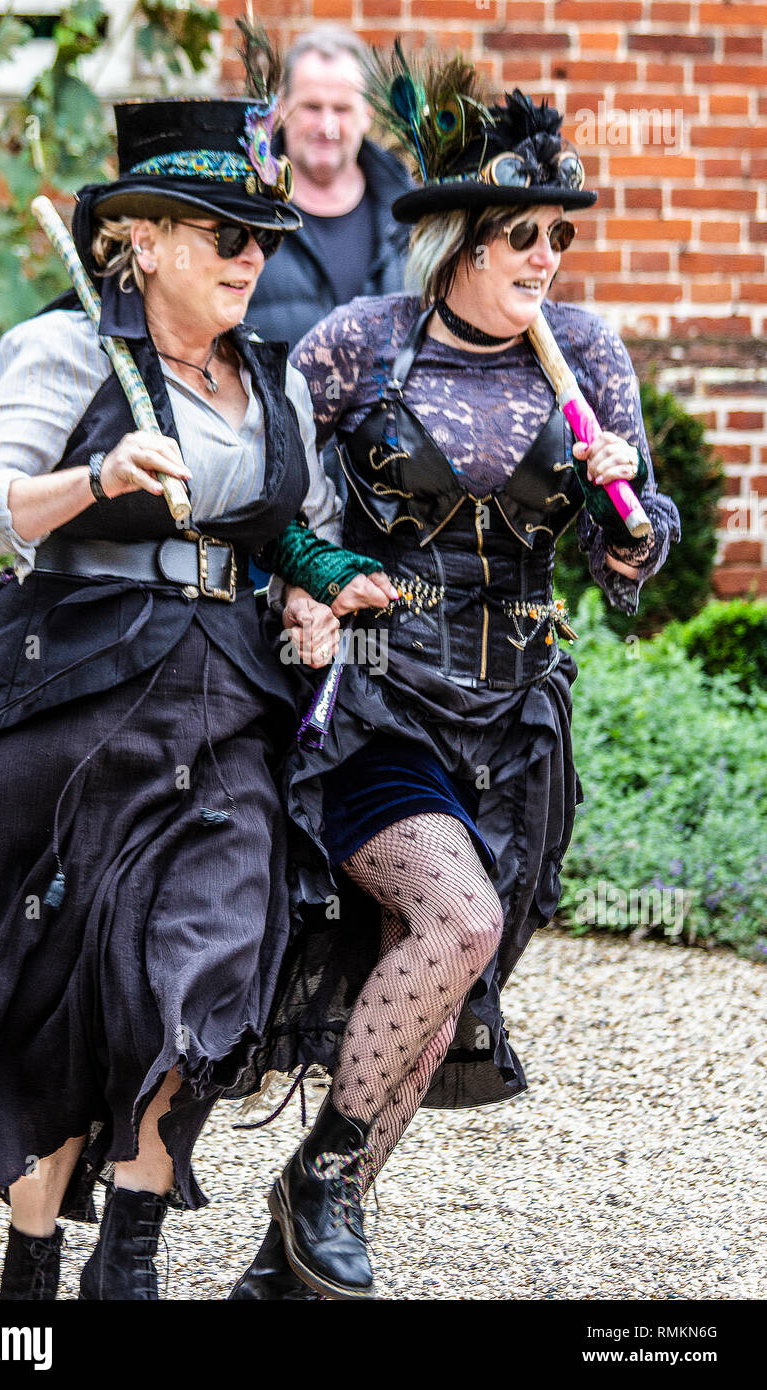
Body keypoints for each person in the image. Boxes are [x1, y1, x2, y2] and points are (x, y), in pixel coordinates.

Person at [0, 91, 393, 1301]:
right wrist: (92, 476)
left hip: (227, 707)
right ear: (146, 240)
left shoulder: (267, 377)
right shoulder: (62, 351)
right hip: (70, 698)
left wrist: (327, 588)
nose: (251, 257)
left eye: (262, 236)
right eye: (225, 234)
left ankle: (129, 1261)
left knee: (199, 979)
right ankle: (29, 1282)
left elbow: (294, 536)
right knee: (60, 990)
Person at [229, 67, 681, 1300]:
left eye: (557, 236)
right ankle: (321, 1174)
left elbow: (630, 537)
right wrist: (304, 584)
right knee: (456, 920)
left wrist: (634, 529)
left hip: (518, 717)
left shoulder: (583, 353)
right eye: (519, 236)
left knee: (434, 989)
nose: (545, 257)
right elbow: (274, 506)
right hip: (378, 703)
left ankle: (289, 1265)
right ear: (455, 242)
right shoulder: (355, 344)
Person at [247, 26, 412, 350]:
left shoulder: (409, 216)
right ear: (282, 108)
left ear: (367, 114)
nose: (327, 126)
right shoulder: (244, 209)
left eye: (341, 109)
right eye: (311, 107)